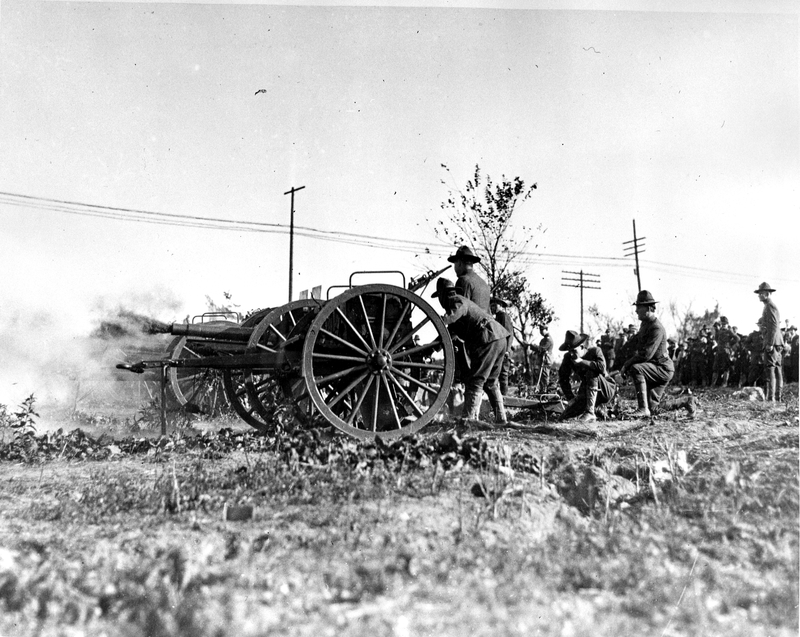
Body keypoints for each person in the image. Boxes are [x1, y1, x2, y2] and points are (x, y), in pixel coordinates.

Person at [433, 278, 509, 424]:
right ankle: (502, 420)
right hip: (499, 337)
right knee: (491, 382)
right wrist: (429, 349)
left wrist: (442, 320)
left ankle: (469, 421)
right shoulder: (460, 305)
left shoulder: (456, 300)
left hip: (488, 337)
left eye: (439, 297)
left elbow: (453, 316)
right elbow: (447, 333)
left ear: (443, 294)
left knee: (476, 381)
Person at [620, 290, 674, 417]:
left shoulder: (656, 328)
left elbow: (646, 355)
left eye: (639, 307)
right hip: (654, 368)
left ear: (649, 308)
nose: (636, 310)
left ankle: (642, 409)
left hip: (662, 368)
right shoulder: (645, 324)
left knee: (636, 368)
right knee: (654, 408)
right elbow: (634, 342)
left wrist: (626, 365)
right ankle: (685, 402)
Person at [558, 330, 617, 423]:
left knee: (591, 372)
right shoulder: (568, 357)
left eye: (574, 351)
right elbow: (563, 378)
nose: (572, 354)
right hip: (587, 392)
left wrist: (582, 361)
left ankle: (590, 412)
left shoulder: (595, 351)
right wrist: (570, 398)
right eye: (569, 351)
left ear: (581, 347)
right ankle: (596, 409)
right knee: (563, 418)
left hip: (606, 390)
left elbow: (601, 368)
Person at [755, 282, 784, 401]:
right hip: (776, 342)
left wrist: (770, 343)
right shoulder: (769, 305)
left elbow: (773, 325)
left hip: (773, 343)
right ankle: (777, 397)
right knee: (776, 368)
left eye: (761, 294)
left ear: (767, 294)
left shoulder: (769, 306)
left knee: (771, 368)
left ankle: (771, 398)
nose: (759, 296)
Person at [448, 246, 491, 313]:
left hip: (469, 323)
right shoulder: (483, 283)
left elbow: (460, 311)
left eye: (455, 263)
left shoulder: (463, 281)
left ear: (459, 263)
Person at [490, 296, 515, 395]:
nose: (492, 307)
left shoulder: (503, 316)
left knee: (503, 374)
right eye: (491, 305)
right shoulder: (497, 317)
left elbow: (509, 334)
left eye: (494, 305)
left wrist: (507, 350)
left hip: (504, 350)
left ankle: (504, 398)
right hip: (499, 349)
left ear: (500, 306)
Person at [711, 316, 740, 387]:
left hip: (726, 351)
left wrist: (729, 344)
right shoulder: (719, 331)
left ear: (727, 324)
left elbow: (737, 338)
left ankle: (724, 383)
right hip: (719, 351)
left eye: (725, 324)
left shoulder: (729, 331)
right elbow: (716, 338)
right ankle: (713, 384)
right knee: (716, 367)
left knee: (726, 368)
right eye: (722, 324)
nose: (723, 325)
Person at [530, 324, 554, 392]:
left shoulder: (548, 339)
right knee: (539, 376)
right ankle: (542, 391)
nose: (540, 332)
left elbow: (542, 349)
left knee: (544, 376)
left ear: (546, 330)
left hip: (546, 361)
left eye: (542, 330)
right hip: (541, 360)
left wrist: (532, 346)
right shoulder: (543, 339)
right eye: (540, 330)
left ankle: (546, 392)